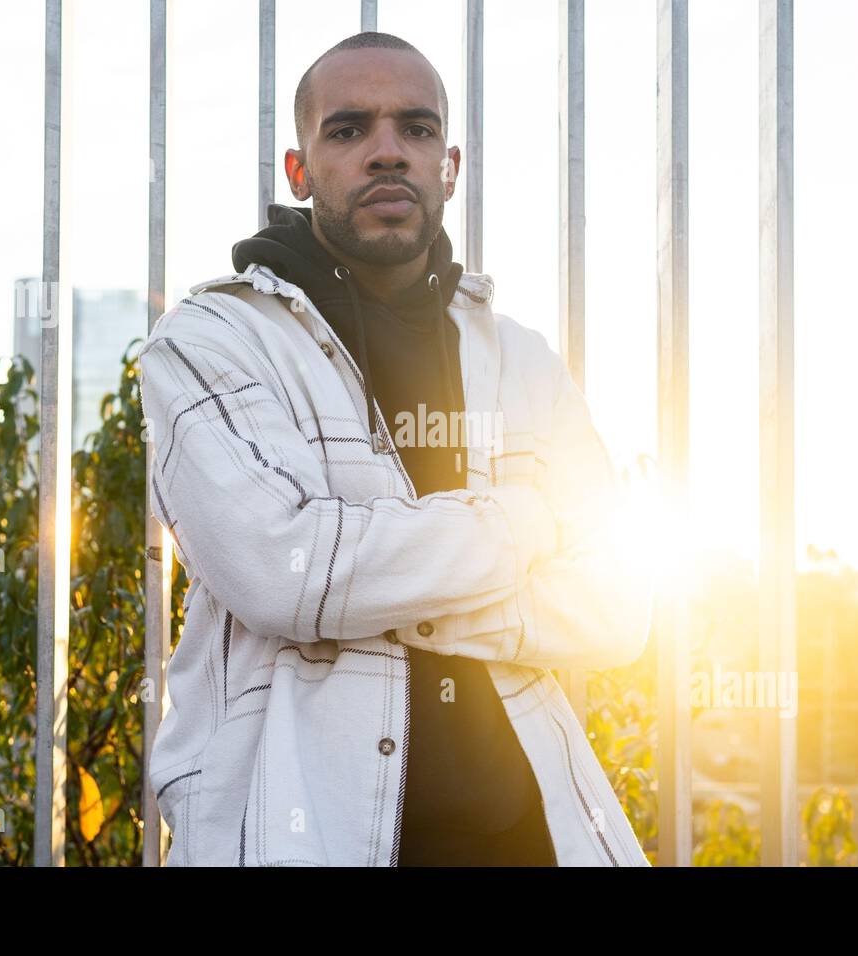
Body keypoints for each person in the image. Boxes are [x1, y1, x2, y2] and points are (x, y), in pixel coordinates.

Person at [139, 31, 653, 867]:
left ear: (447, 164)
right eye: (348, 130)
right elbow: (283, 569)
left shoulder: (520, 359)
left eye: (414, 129)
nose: (387, 152)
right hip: (298, 836)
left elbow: (617, 608)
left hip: (530, 835)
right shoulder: (209, 340)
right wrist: (525, 526)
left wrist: (369, 589)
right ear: (298, 171)